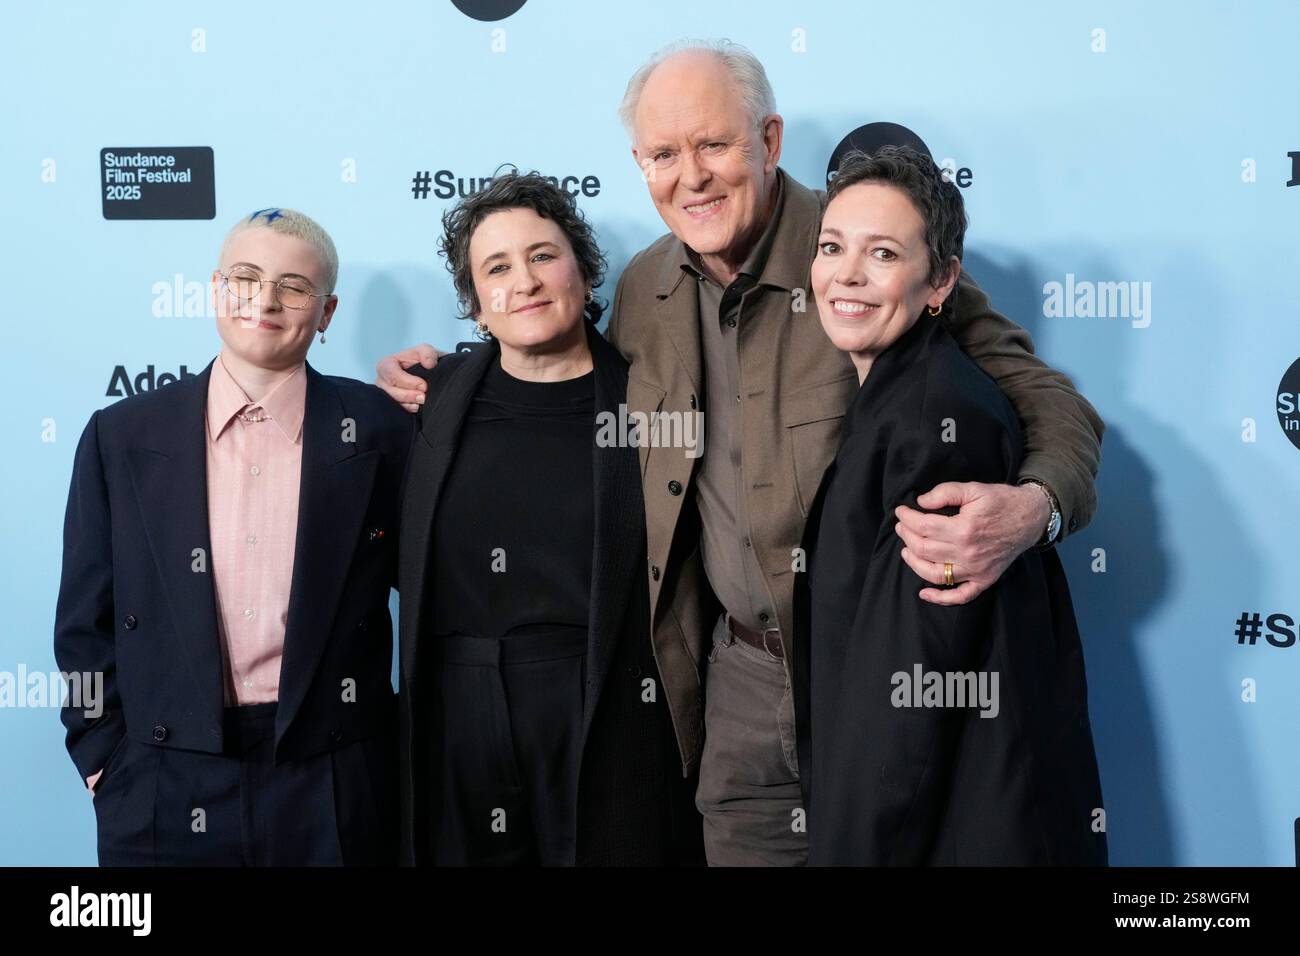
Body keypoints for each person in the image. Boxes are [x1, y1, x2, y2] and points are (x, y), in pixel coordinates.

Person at [376, 40, 1104, 866]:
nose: (691, 176)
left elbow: (1047, 399)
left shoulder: (857, 249)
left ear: (769, 141)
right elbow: (555, 383)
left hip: (873, 680)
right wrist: (448, 377)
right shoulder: (643, 295)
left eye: (713, 145)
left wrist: (1034, 507)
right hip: (740, 693)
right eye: (662, 155)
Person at [54, 208, 410, 865]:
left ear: (327, 312)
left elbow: (436, 596)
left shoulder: (378, 427)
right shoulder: (122, 435)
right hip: (162, 776)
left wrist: (449, 381)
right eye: (246, 278)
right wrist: (100, 755)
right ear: (218, 289)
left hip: (331, 775)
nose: (266, 300)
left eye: (294, 286)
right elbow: (83, 623)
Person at [793, 146, 1107, 865]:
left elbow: (909, 699)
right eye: (832, 247)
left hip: (958, 824)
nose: (846, 274)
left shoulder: (940, 426)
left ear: (941, 284)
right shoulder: (906, 395)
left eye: (882, 254)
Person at [397, 172, 701, 866]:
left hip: (612, 711)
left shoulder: (648, 404)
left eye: (542, 255)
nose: (525, 280)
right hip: (460, 721)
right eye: (497, 267)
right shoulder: (432, 402)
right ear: (475, 306)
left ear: (584, 271)